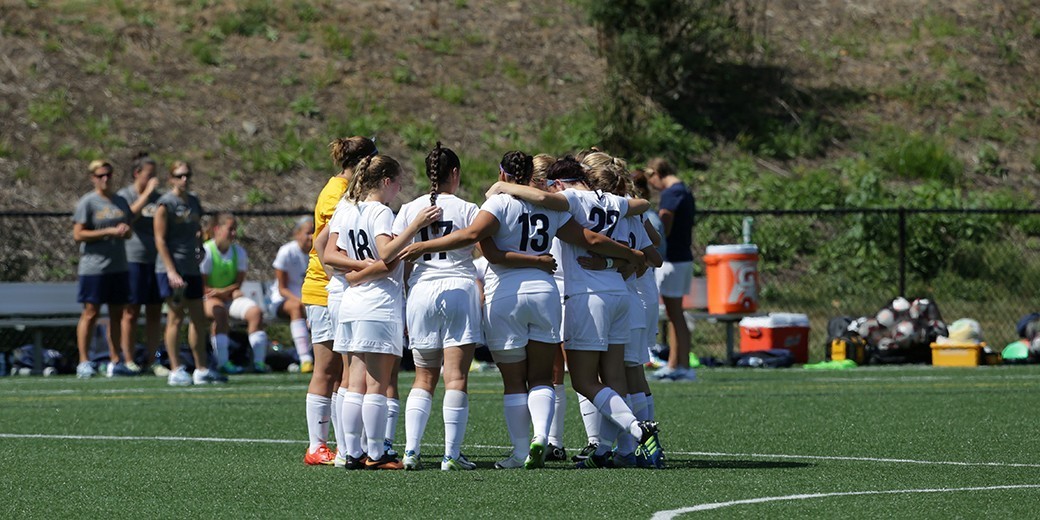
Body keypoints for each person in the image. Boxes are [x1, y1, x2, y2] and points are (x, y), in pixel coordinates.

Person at [402, 151, 649, 470]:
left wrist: (425, 245)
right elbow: (589, 237)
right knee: (543, 377)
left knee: (514, 381)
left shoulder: (497, 203)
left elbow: (480, 243)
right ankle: (543, 439)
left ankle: (520, 452)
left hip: (506, 295)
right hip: (545, 293)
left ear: (503, 175)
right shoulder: (549, 205)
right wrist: (630, 253)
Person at [484, 156, 664, 469]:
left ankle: (637, 431)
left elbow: (546, 202)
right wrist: (628, 255)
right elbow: (641, 207)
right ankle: (614, 451)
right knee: (615, 377)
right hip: (621, 292)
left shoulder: (569, 199)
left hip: (588, 296)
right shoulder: (614, 200)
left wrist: (503, 185)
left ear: (558, 183)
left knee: (583, 381)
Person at [323, 154, 440, 470]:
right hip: (378, 304)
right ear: (386, 182)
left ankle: (351, 451)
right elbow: (388, 253)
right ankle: (376, 453)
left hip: (351, 303)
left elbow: (329, 254)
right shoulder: (379, 211)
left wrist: (358, 269)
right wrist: (415, 225)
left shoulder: (349, 209)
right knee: (376, 383)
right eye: (398, 183)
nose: (399, 189)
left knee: (353, 382)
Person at [300, 136, 376, 467]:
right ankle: (317, 445)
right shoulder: (336, 193)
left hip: (339, 287)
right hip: (324, 288)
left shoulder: (345, 190)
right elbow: (326, 244)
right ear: (363, 162)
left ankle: (345, 443)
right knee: (328, 368)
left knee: (340, 370)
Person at [154, 160, 224, 386]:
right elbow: (160, 240)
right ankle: (175, 368)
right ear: (171, 179)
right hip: (172, 268)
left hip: (191, 268)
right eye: (179, 176)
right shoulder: (165, 204)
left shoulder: (193, 201)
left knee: (198, 318)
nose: (184, 179)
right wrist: (171, 271)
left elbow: (195, 230)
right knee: (175, 317)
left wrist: (200, 247)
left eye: (187, 175)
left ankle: (201, 368)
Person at [73, 159, 134, 378]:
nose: (105, 179)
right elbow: (78, 234)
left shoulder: (120, 201)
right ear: (93, 178)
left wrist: (125, 230)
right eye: (100, 176)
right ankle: (84, 361)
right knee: (91, 313)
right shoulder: (87, 202)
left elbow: (129, 231)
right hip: (94, 268)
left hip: (118, 266)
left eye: (108, 174)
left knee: (117, 314)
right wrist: (107, 231)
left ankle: (115, 360)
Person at [645, 157, 697, 381]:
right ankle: (679, 363)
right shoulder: (683, 189)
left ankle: (678, 365)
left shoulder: (671, 193)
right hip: (682, 258)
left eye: (651, 179)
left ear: (657, 173)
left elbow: (663, 224)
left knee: (675, 315)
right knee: (677, 315)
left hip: (673, 260)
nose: (652, 185)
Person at [198, 212, 270, 374]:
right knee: (220, 313)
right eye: (230, 229)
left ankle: (258, 363)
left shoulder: (239, 252)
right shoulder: (207, 251)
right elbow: (203, 287)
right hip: (208, 299)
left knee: (255, 312)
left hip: (227, 297)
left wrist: (223, 291)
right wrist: (226, 292)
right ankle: (223, 363)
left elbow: (238, 283)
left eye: (235, 229)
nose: (233, 233)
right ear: (217, 229)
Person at [116, 152, 166, 376]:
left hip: (156, 262)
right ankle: (128, 360)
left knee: (155, 311)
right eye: (150, 175)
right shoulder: (124, 195)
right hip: (133, 259)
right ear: (137, 174)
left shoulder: (160, 198)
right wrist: (145, 194)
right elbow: (127, 217)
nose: (155, 179)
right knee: (131, 312)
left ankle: (152, 359)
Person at [270, 216, 315, 370]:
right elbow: (282, 289)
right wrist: (303, 302)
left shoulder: (318, 251)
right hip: (283, 301)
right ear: (297, 234)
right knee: (295, 306)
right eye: (308, 232)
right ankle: (305, 359)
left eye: (314, 232)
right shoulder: (287, 252)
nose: (312, 237)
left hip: (308, 302)